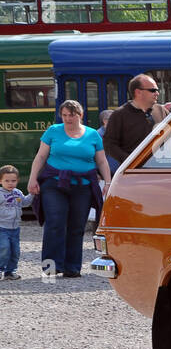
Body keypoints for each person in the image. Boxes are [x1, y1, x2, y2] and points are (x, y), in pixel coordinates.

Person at [27, 100, 111, 278]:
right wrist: (32, 178)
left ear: (80, 115)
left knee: (77, 226)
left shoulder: (92, 135)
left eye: (71, 115)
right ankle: (50, 267)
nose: (67, 119)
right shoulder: (53, 131)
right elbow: (41, 156)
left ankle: (72, 267)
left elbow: (102, 161)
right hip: (54, 183)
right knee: (55, 222)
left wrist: (108, 182)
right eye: (64, 115)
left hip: (83, 185)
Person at [102, 74, 161, 173]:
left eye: (157, 90)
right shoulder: (119, 115)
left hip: (160, 171)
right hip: (134, 173)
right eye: (153, 90)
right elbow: (109, 144)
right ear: (138, 92)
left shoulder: (161, 110)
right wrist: (131, 161)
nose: (157, 93)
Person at [1, 164, 34, 279]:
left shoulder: (18, 193)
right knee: (4, 248)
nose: (10, 183)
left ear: (17, 181)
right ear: (1, 181)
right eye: (7, 181)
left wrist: (32, 194)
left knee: (15, 251)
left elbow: (25, 203)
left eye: (13, 181)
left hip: (15, 228)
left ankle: (10, 272)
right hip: (2, 228)